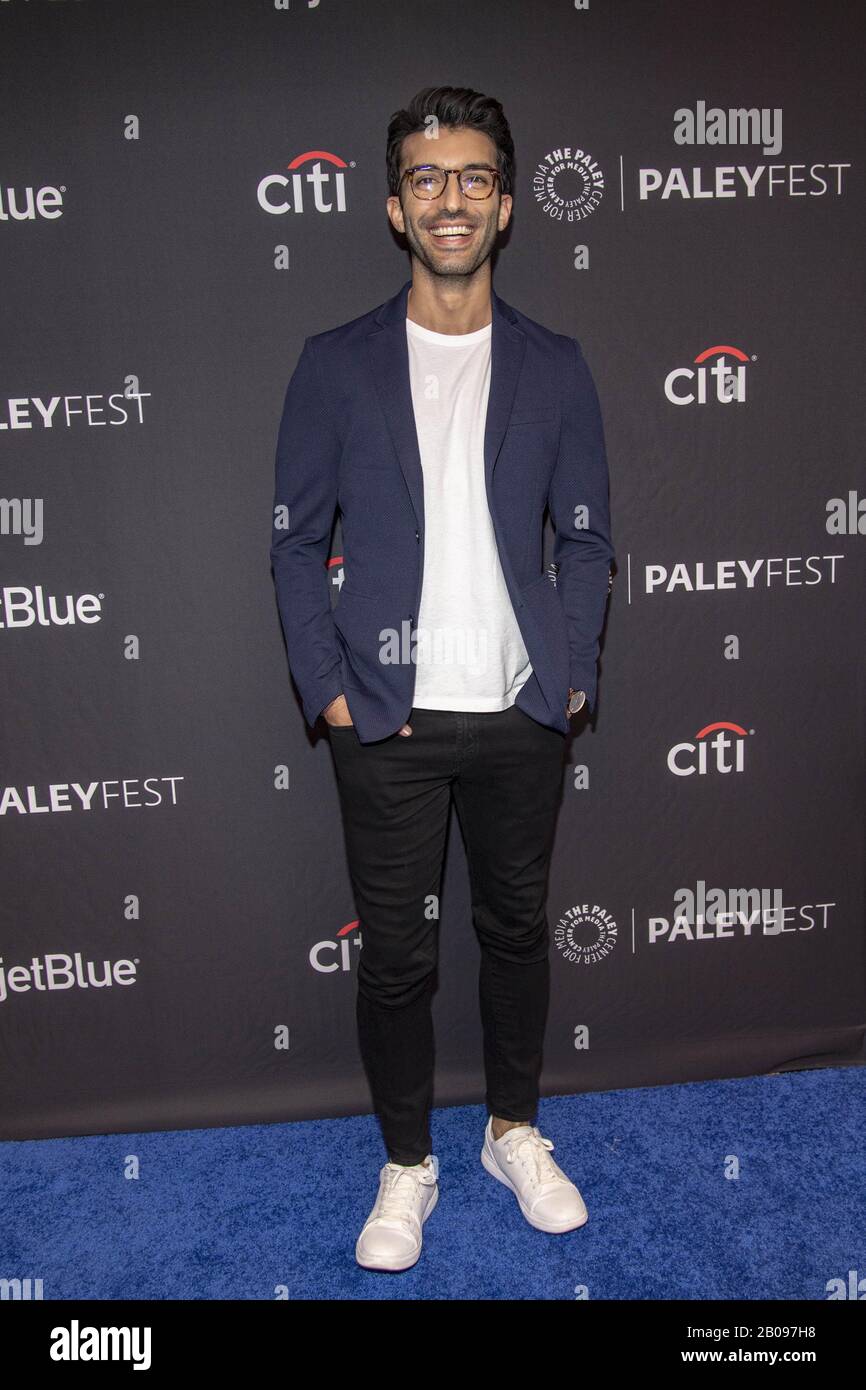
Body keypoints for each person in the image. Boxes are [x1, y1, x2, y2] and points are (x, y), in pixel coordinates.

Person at [270, 86, 615, 1272]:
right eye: (427, 178)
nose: (450, 198)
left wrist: (569, 669)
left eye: (473, 177)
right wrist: (326, 688)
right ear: (393, 205)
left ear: (507, 205)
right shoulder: (334, 364)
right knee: (400, 958)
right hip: (388, 715)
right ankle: (407, 1160)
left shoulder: (557, 366)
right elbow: (290, 537)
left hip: (520, 710)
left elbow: (584, 538)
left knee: (516, 930)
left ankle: (513, 1131)